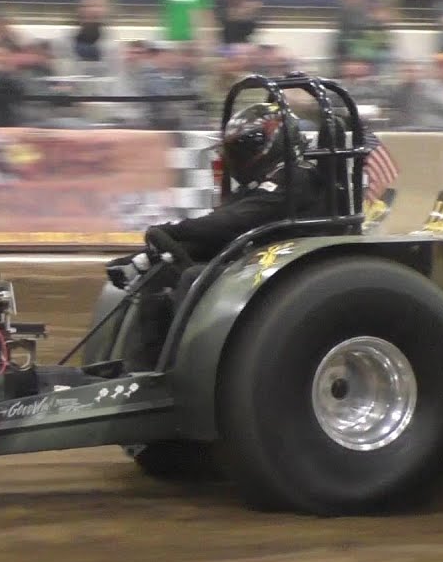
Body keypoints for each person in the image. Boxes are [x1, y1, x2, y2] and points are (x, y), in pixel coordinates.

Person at [105, 102, 324, 369]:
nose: (237, 158)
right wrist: (145, 257)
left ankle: (186, 371)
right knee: (161, 273)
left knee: (192, 277)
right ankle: (139, 369)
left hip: (289, 268)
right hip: (261, 259)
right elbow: (226, 224)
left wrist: (173, 229)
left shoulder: (296, 177)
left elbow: (233, 221)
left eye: (243, 149)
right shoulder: (268, 180)